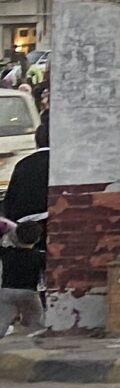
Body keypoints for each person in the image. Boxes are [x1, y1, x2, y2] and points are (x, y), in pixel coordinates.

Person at [0, 141, 44, 335]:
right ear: (37, 239)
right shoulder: (39, 256)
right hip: (29, 293)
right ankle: (34, 333)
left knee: (2, 319)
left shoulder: (7, 253)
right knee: (36, 319)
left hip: (6, 292)